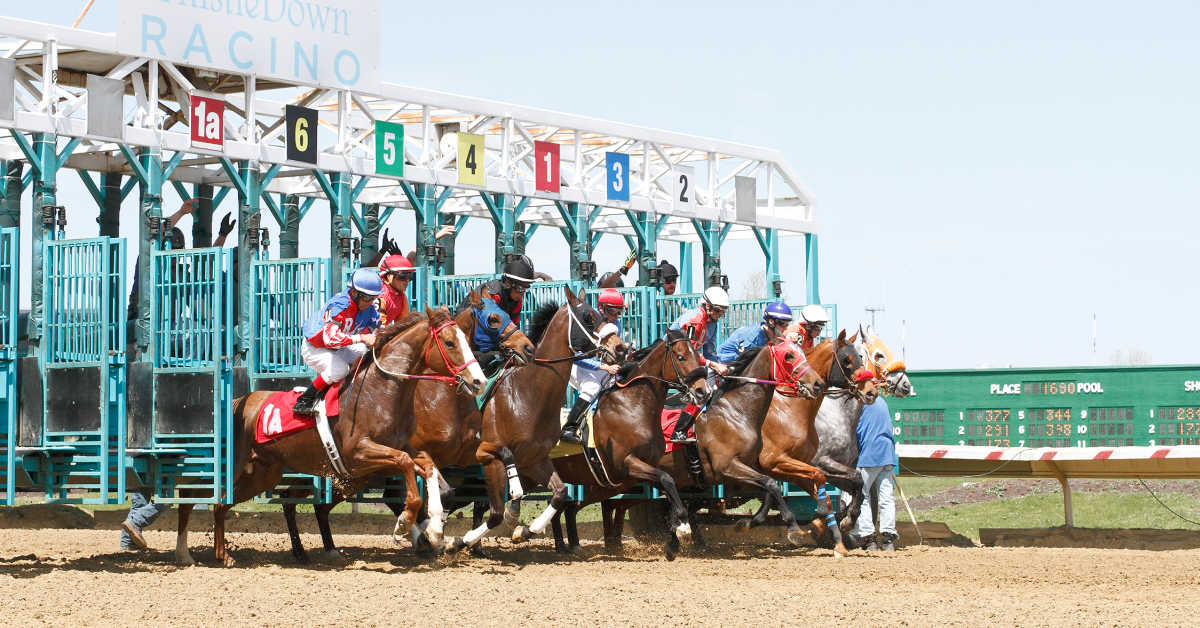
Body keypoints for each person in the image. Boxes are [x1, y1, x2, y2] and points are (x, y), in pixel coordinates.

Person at [292, 268, 383, 416]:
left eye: (374, 298)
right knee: (341, 369)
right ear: (354, 293)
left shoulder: (370, 308)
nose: (370, 303)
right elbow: (330, 339)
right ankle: (305, 399)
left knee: (367, 356)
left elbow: (379, 329)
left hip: (339, 347)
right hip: (315, 348)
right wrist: (361, 338)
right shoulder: (340, 305)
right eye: (367, 298)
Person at [560, 289, 625, 444]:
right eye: (612, 311)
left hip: (597, 367)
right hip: (574, 364)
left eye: (619, 312)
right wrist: (603, 367)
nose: (615, 316)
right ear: (601, 308)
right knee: (593, 385)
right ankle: (569, 427)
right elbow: (575, 356)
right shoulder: (588, 322)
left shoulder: (616, 325)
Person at [667, 286, 731, 443]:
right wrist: (713, 365)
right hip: (673, 359)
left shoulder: (713, 323)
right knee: (705, 388)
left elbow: (710, 352)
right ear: (707, 306)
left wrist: (719, 366)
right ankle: (679, 430)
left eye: (723, 312)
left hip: (687, 361)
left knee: (718, 380)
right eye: (717, 311)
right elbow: (688, 352)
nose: (720, 315)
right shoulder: (695, 321)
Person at [853, 395, 898, 551]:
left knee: (862, 496)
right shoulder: (882, 401)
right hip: (887, 453)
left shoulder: (860, 402)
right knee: (886, 498)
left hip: (869, 455)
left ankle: (868, 537)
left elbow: (855, 430)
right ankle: (888, 539)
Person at [460, 254, 538, 328]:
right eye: (520, 288)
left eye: (526, 289)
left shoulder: (517, 301)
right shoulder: (492, 294)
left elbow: (514, 325)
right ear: (508, 284)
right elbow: (488, 324)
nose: (522, 293)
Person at [715, 301, 792, 364]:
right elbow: (746, 362)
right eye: (783, 324)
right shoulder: (752, 337)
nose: (786, 328)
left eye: (787, 324)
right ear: (771, 322)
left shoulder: (775, 335)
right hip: (723, 362)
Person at [377, 253, 416, 325]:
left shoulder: (402, 297)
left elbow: (402, 326)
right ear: (389, 277)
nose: (407, 280)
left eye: (410, 276)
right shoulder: (380, 296)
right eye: (403, 276)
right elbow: (378, 328)